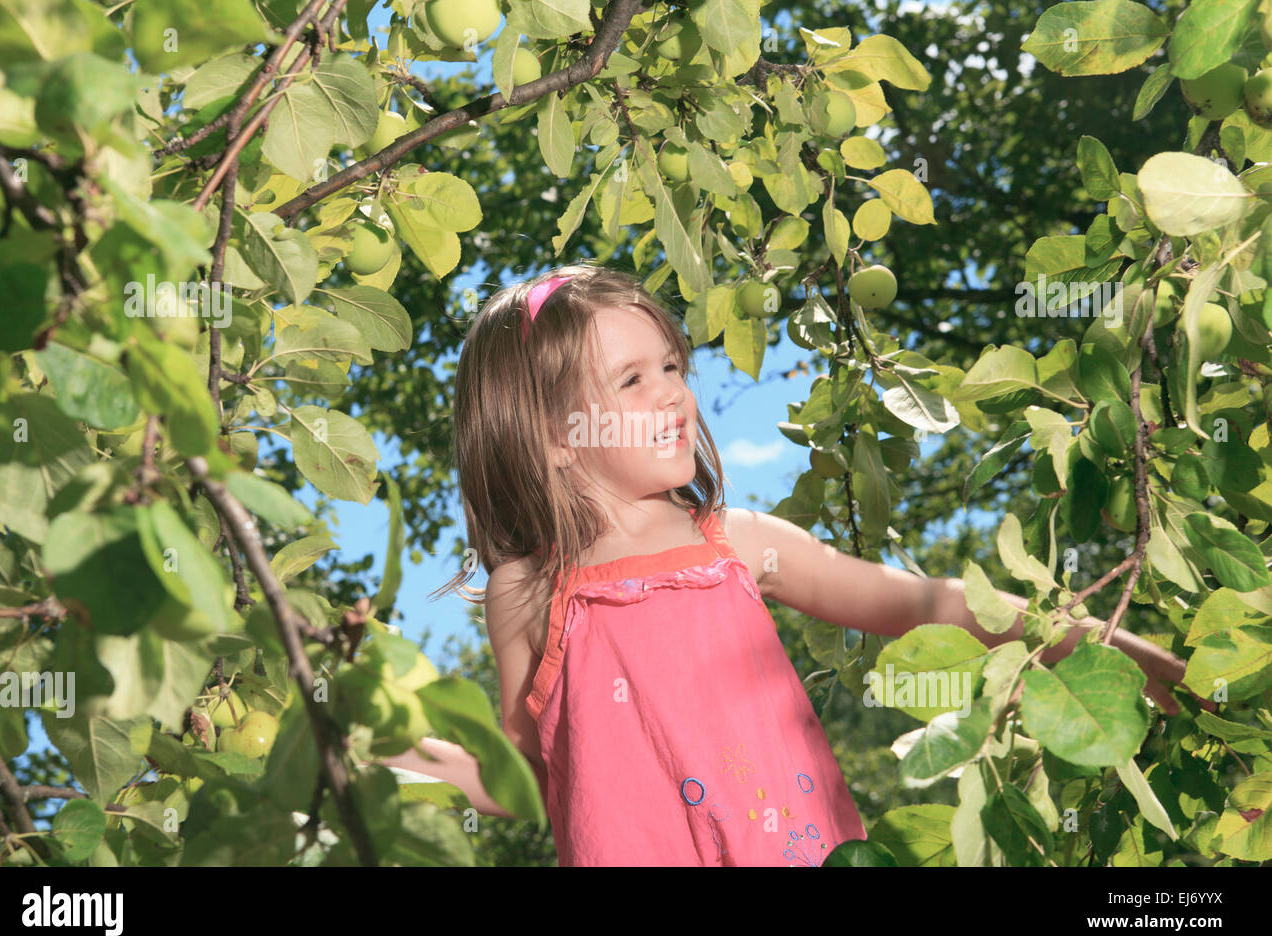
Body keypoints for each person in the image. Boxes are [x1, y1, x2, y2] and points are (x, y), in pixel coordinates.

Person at [384, 262, 1196, 866]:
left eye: (672, 366)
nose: (672, 394)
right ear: (556, 437)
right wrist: (377, 750)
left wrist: (1096, 647)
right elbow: (521, 768)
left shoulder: (735, 541)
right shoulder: (527, 591)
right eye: (632, 380)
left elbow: (927, 607)